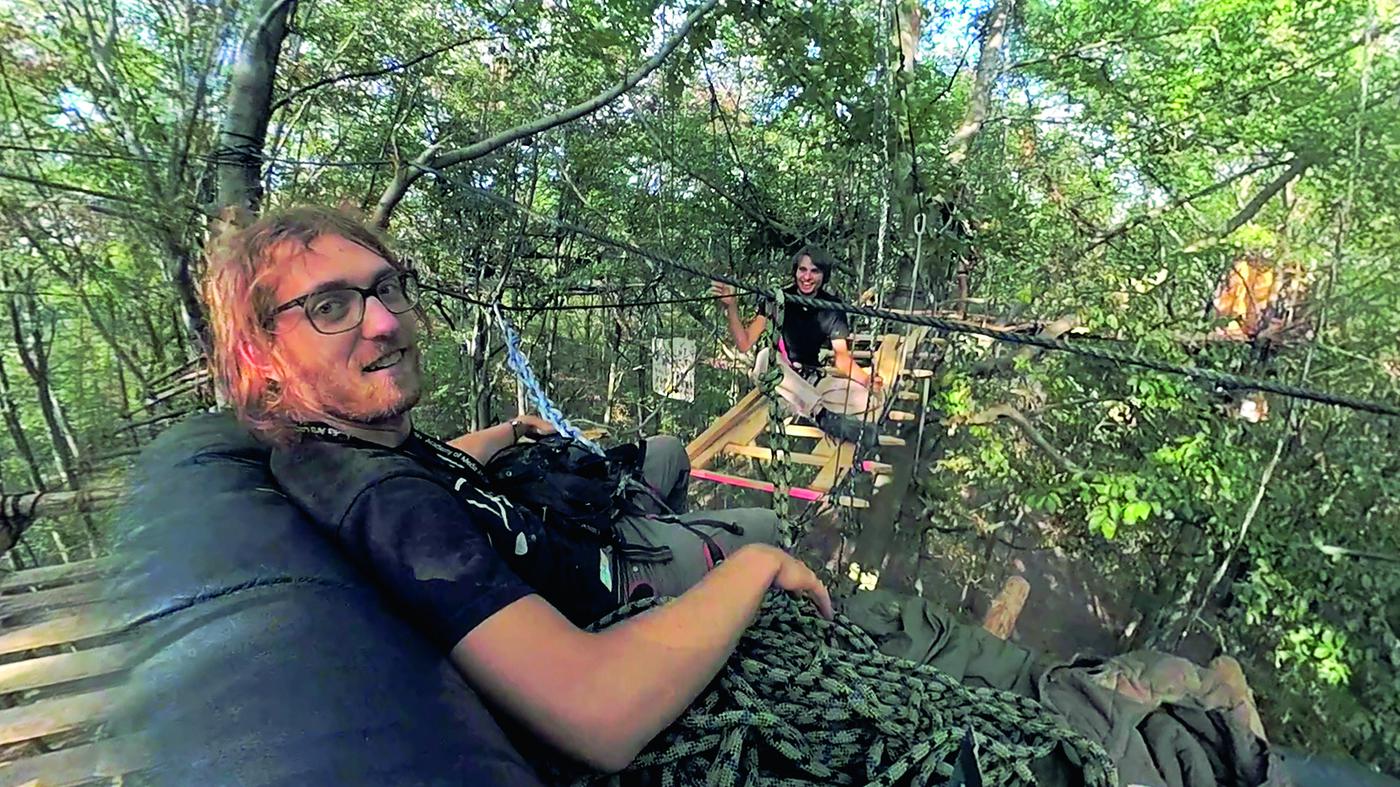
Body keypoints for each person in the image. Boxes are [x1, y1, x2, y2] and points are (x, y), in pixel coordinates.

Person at [201, 205, 833, 772]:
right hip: (609, 586)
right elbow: (598, 712)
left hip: (567, 535)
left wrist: (505, 431)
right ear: (261, 353)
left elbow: (435, 463)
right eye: (330, 306)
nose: (385, 322)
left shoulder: (347, 445)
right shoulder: (390, 506)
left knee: (665, 453)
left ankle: (684, 552)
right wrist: (751, 569)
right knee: (769, 534)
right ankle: (697, 573)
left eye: (387, 289)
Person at [712, 246, 883, 449]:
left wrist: (866, 380)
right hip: (780, 380)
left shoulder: (832, 306)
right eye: (802, 270)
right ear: (795, 272)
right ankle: (821, 415)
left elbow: (842, 358)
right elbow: (744, 343)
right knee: (767, 356)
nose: (807, 277)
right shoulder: (777, 299)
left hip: (810, 381)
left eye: (814, 271)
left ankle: (814, 409)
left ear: (823, 275)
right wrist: (731, 306)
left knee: (872, 400)